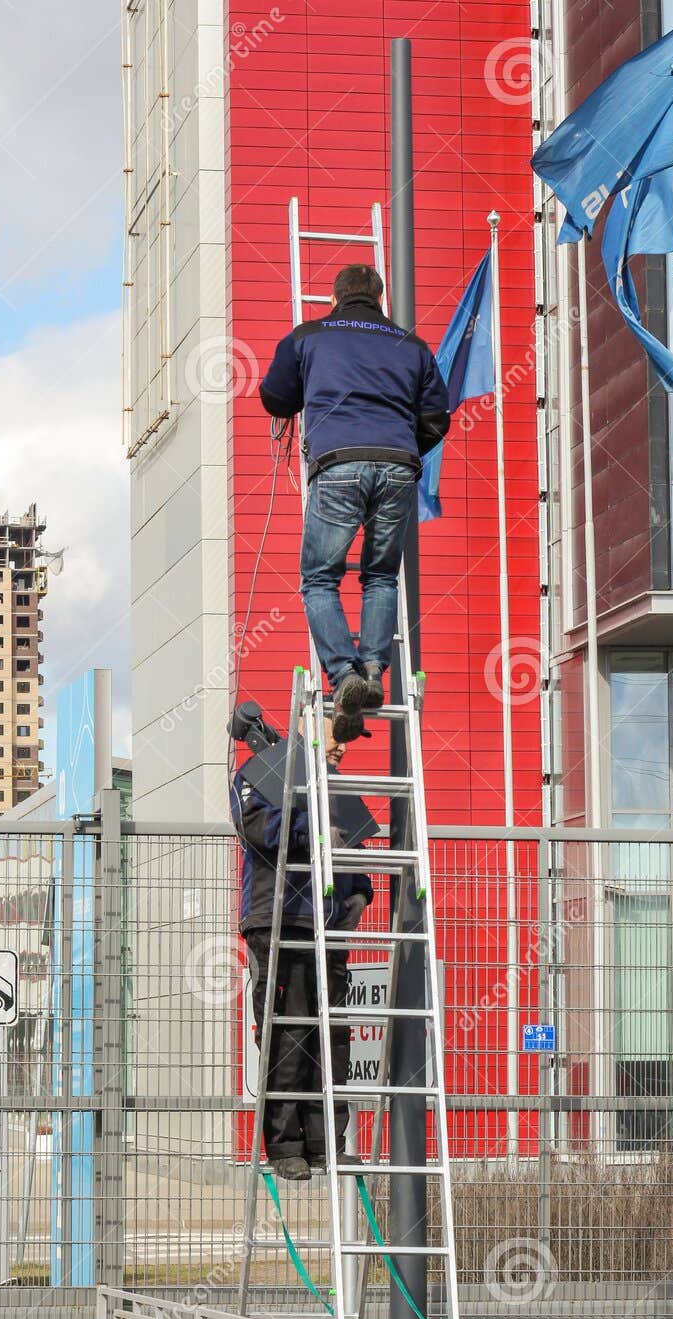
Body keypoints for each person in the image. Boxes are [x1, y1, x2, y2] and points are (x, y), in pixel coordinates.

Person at [259, 264, 450, 743]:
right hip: (398, 465)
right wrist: (400, 450)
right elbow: (437, 418)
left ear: (333, 298)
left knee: (321, 578)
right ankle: (373, 674)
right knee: (381, 576)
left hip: (339, 463)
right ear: (381, 298)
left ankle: (345, 675)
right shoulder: (412, 345)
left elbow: (275, 399)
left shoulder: (310, 336)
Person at [231, 718, 373, 1181]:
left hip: (326, 926)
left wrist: (359, 893)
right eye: (339, 736)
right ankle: (285, 1145)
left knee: (331, 1038)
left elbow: (351, 846)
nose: (344, 748)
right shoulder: (259, 774)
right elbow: (262, 831)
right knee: (288, 1033)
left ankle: (327, 1142)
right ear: (311, 727)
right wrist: (313, 820)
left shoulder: (334, 785)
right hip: (278, 920)